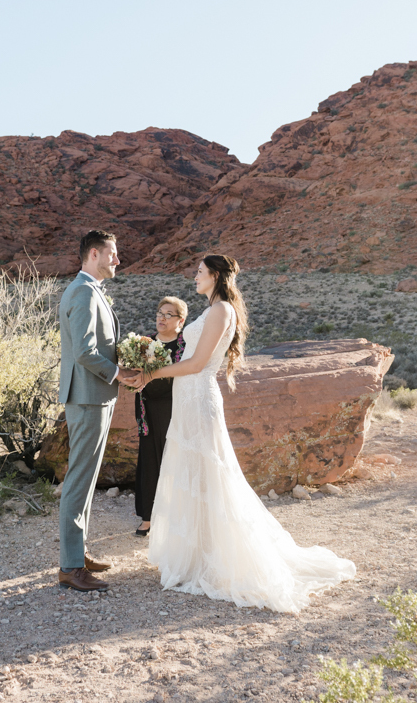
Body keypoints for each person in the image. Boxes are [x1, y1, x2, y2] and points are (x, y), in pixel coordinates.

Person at [140, 255, 355, 612]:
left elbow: (195, 364)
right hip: (188, 397)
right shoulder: (212, 308)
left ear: (215, 276)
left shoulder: (221, 310)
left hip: (198, 398)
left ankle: (213, 558)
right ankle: (196, 553)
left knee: (208, 473)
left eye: (199, 272)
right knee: (193, 470)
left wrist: (151, 374)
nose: (194, 277)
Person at [56, 230, 141, 592]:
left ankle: (78, 554)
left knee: (87, 478)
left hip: (94, 396)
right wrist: (120, 372)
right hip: (88, 397)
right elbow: (85, 353)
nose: (118, 260)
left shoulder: (88, 291)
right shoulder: (83, 292)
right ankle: (70, 567)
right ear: (94, 254)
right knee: (79, 479)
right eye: (113, 254)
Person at [133, 296, 188, 537]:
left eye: (169, 314)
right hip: (147, 409)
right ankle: (148, 518)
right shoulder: (145, 343)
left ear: (181, 320)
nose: (162, 318)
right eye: (159, 313)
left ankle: (176, 517)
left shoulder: (186, 346)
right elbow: (133, 371)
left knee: (174, 459)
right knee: (149, 460)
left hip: (175, 409)